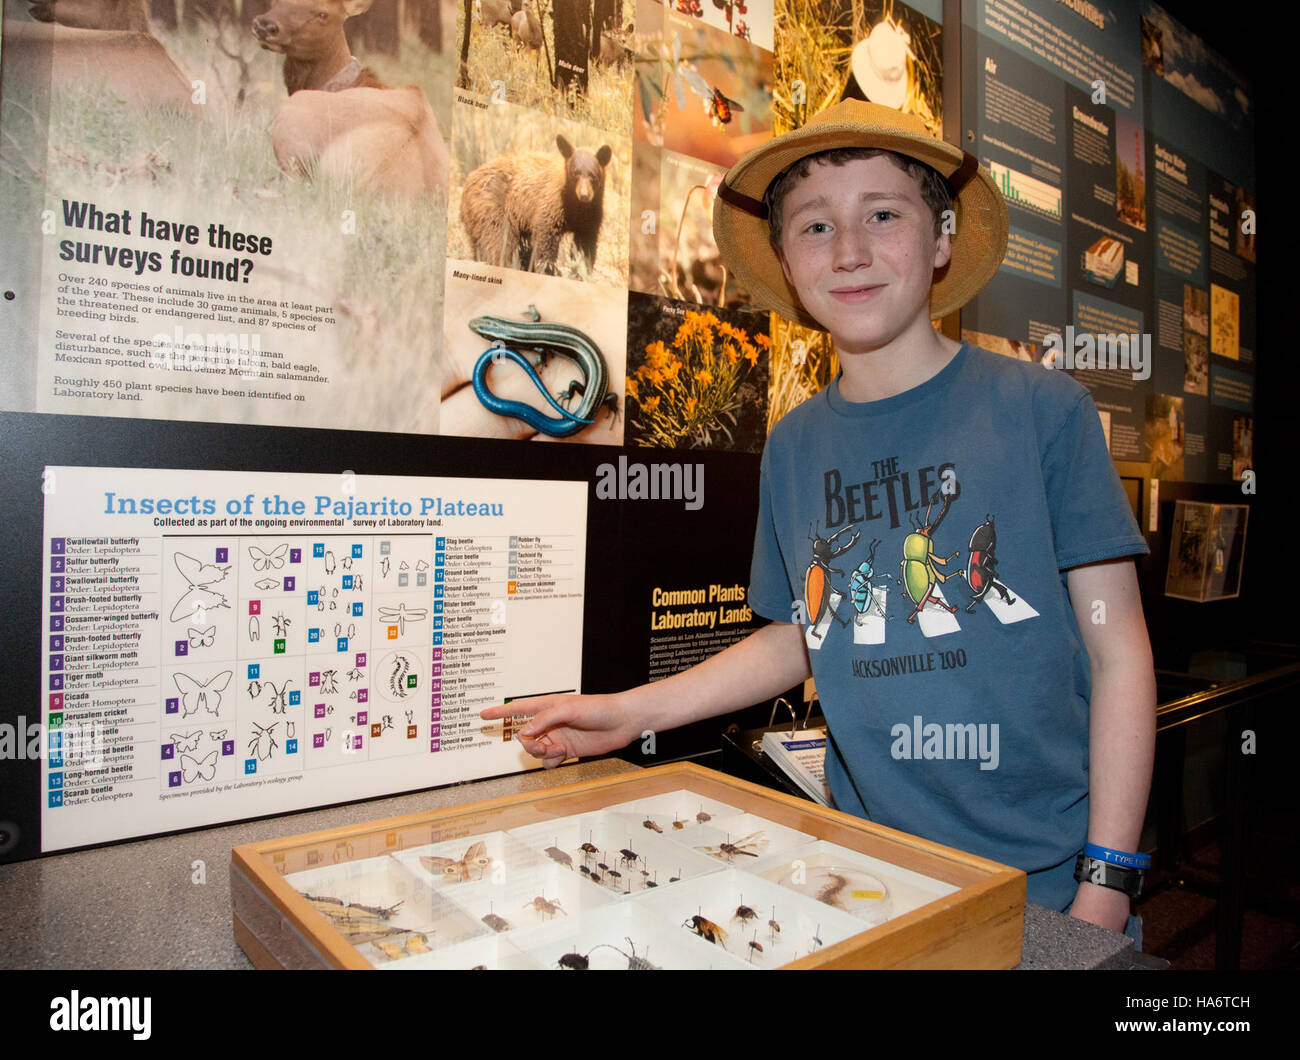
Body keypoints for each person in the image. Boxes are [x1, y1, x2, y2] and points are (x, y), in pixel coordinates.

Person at [482, 100, 1155, 937]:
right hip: (870, 874)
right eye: (815, 227)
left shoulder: (1044, 411)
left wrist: (1109, 876)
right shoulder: (796, 445)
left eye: (883, 214)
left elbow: (1118, 648)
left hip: (1049, 883)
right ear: (788, 267)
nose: (851, 251)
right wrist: (631, 712)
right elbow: (806, 631)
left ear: (941, 238)